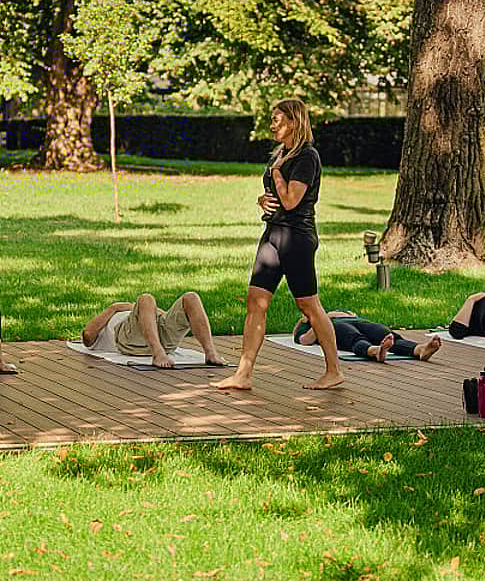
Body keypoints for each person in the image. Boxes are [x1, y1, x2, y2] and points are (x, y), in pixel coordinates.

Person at [214, 98, 343, 391]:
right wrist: (263, 197)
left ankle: (334, 370)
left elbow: (290, 200)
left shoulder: (307, 157)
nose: (272, 125)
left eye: (277, 120)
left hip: (296, 239)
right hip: (272, 235)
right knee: (256, 302)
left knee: (308, 304)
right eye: (272, 119)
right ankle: (243, 374)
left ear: (294, 122)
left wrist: (275, 173)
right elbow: (275, 196)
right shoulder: (281, 153)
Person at [81, 292, 227, 368]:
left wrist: (140, 310)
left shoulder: (141, 309)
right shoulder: (113, 317)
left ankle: (210, 352)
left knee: (191, 297)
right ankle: (157, 352)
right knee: (146, 298)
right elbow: (87, 335)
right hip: (133, 343)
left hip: (160, 334)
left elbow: (165, 315)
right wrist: (115, 307)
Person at [294, 311, 442, 362]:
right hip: (336, 327)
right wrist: (324, 319)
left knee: (385, 334)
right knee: (354, 338)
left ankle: (420, 349)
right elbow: (304, 340)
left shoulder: (339, 312)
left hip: (359, 322)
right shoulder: (307, 324)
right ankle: (375, 351)